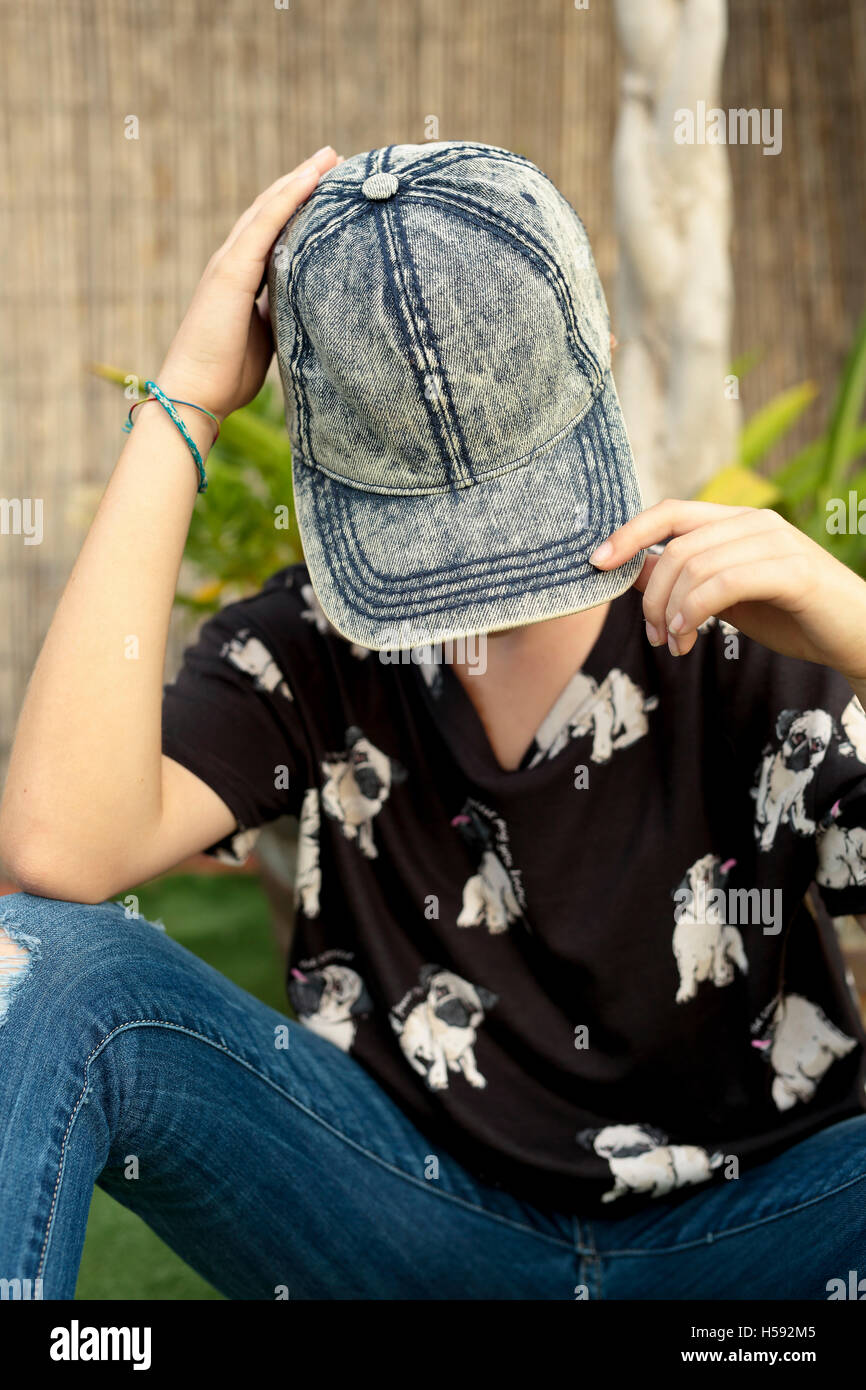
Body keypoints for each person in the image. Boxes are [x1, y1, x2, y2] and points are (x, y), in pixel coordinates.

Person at [1, 141, 865, 1302]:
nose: (481, 590)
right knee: (40, 963)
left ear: (600, 356)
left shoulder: (747, 638)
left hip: (753, 1243)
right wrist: (187, 404)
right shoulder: (309, 649)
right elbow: (60, 853)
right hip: (409, 1226)